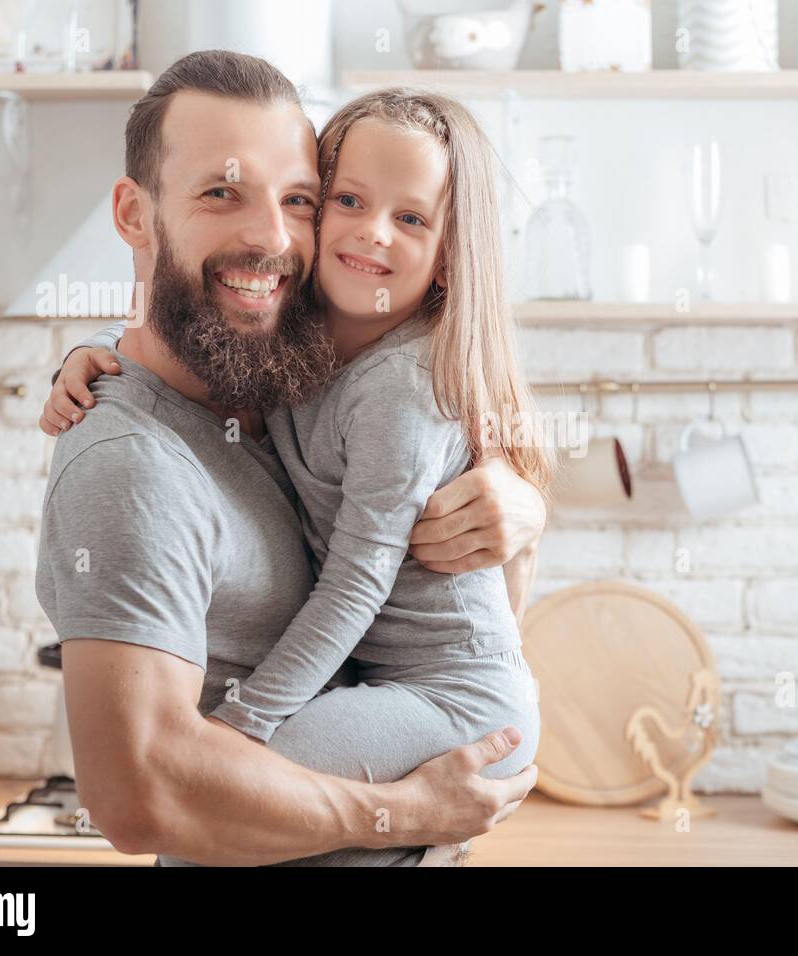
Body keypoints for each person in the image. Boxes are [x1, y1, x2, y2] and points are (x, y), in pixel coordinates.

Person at [35, 51, 548, 867]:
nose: (271, 237)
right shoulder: (129, 463)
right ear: (135, 215)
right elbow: (142, 802)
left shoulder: (286, 371)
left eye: (298, 200)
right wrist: (400, 814)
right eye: (220, 192)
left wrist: (520, 501)